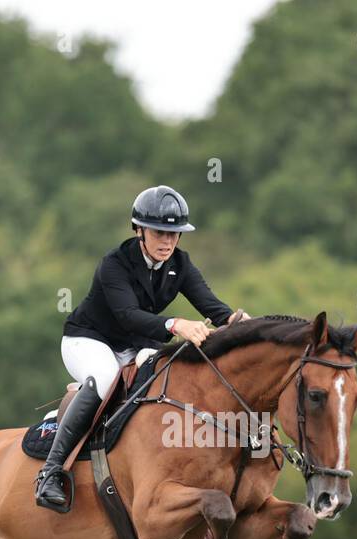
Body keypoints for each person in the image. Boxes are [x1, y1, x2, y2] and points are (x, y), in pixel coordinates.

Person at [34, 185, 248, 511]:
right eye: (160, 232)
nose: (167, 241)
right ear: (139, 230)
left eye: (174, 234)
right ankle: (50, 473)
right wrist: (176, 324)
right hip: (89, 340)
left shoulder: (181, 264)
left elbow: (214, 309)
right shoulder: (115, 264)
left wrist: (244, 322)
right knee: (106, 376)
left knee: (166, 374)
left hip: (137, 345)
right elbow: (128, 316)